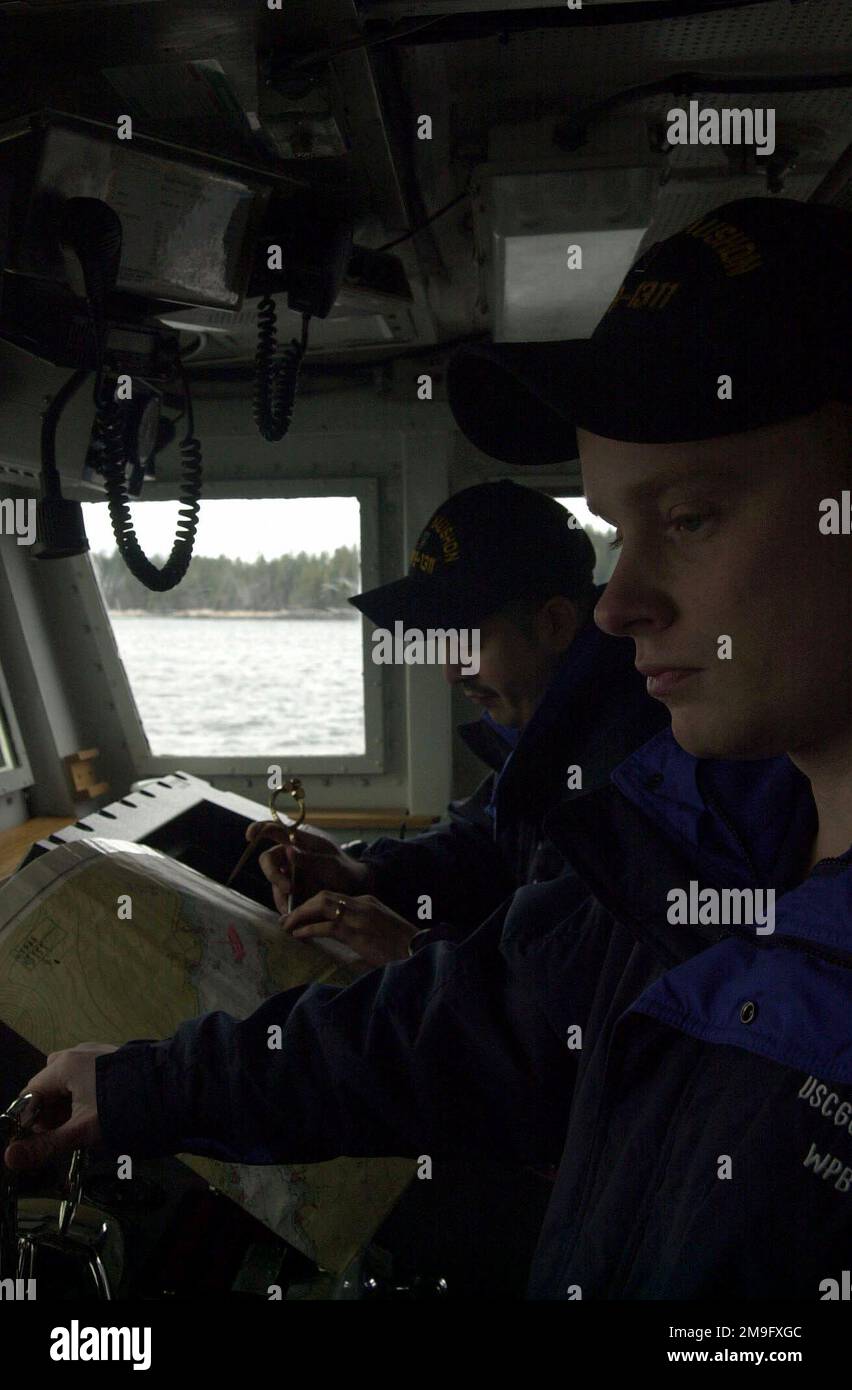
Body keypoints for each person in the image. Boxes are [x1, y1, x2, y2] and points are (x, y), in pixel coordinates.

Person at [6, 197, 851, 1300]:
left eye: (691, 517)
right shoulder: (693, 836)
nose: (618, 604)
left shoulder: (653, 806)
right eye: (617, 530)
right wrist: (141, 1086)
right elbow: (467, 1018)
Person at [250, 480, 666, 965]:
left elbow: (567, 998)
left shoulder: (628, 765)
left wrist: (412, 948)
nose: (451, 672)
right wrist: (363, 873)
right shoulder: (550, 730)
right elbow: (486, 851)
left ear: (554, 623)